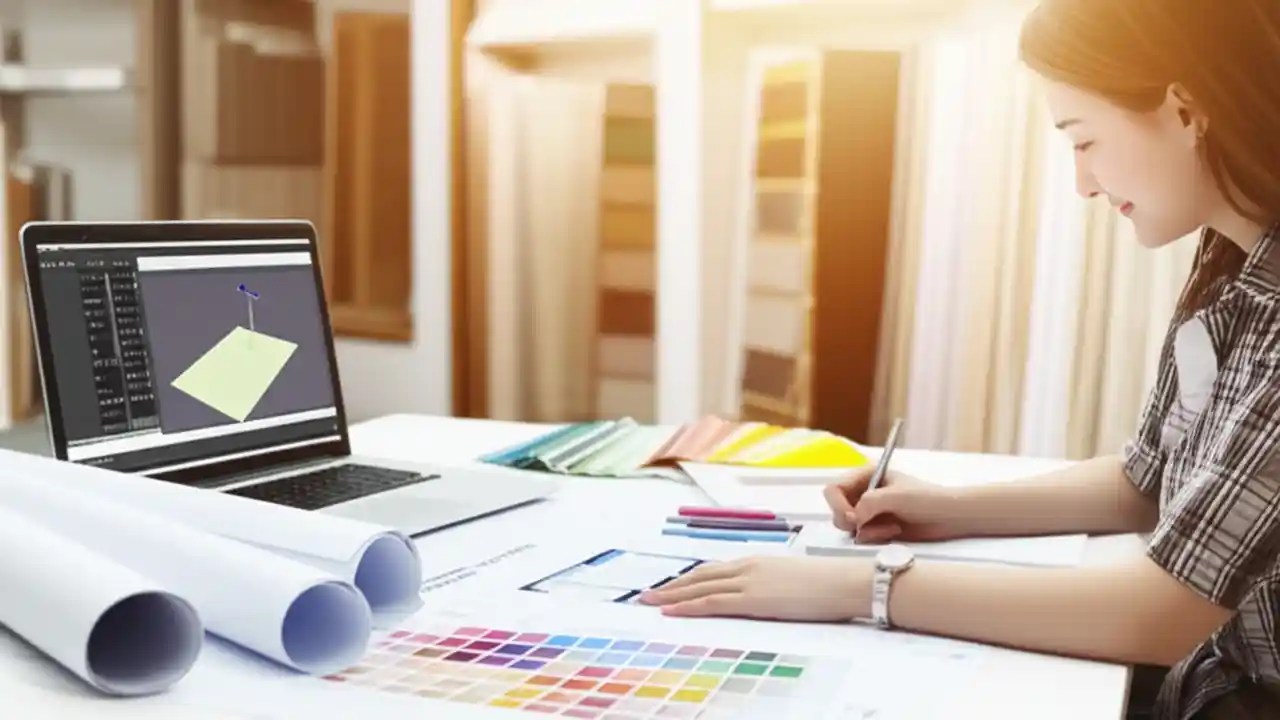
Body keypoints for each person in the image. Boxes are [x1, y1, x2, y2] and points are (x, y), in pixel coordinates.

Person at [639, 1, 1280, 718]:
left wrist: (862, 586)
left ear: (1186, 112)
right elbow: (1146, 481)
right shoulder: (1231, 270)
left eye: (1084, 140)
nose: (1084, 184)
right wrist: (946, 511)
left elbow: (1164, 612)